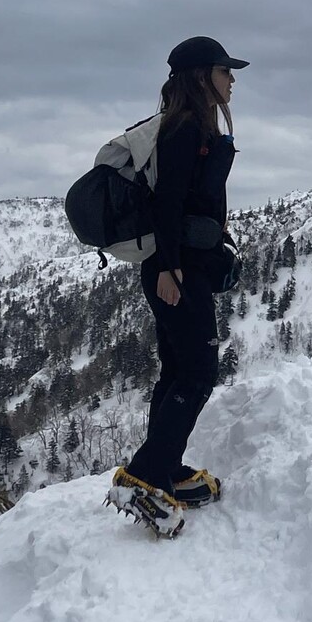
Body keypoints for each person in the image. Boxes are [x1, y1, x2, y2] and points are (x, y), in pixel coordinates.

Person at [109, 35, 248, 534]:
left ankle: (164, 469)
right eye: (224, 70)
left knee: (176, 371)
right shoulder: (185, 130)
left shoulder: (191, 127)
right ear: (201, 76)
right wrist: (170, 269)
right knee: (197, 373)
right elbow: (167, 203)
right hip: (176, 272)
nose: (232, 79)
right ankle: (145, 476)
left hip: (179, 267)